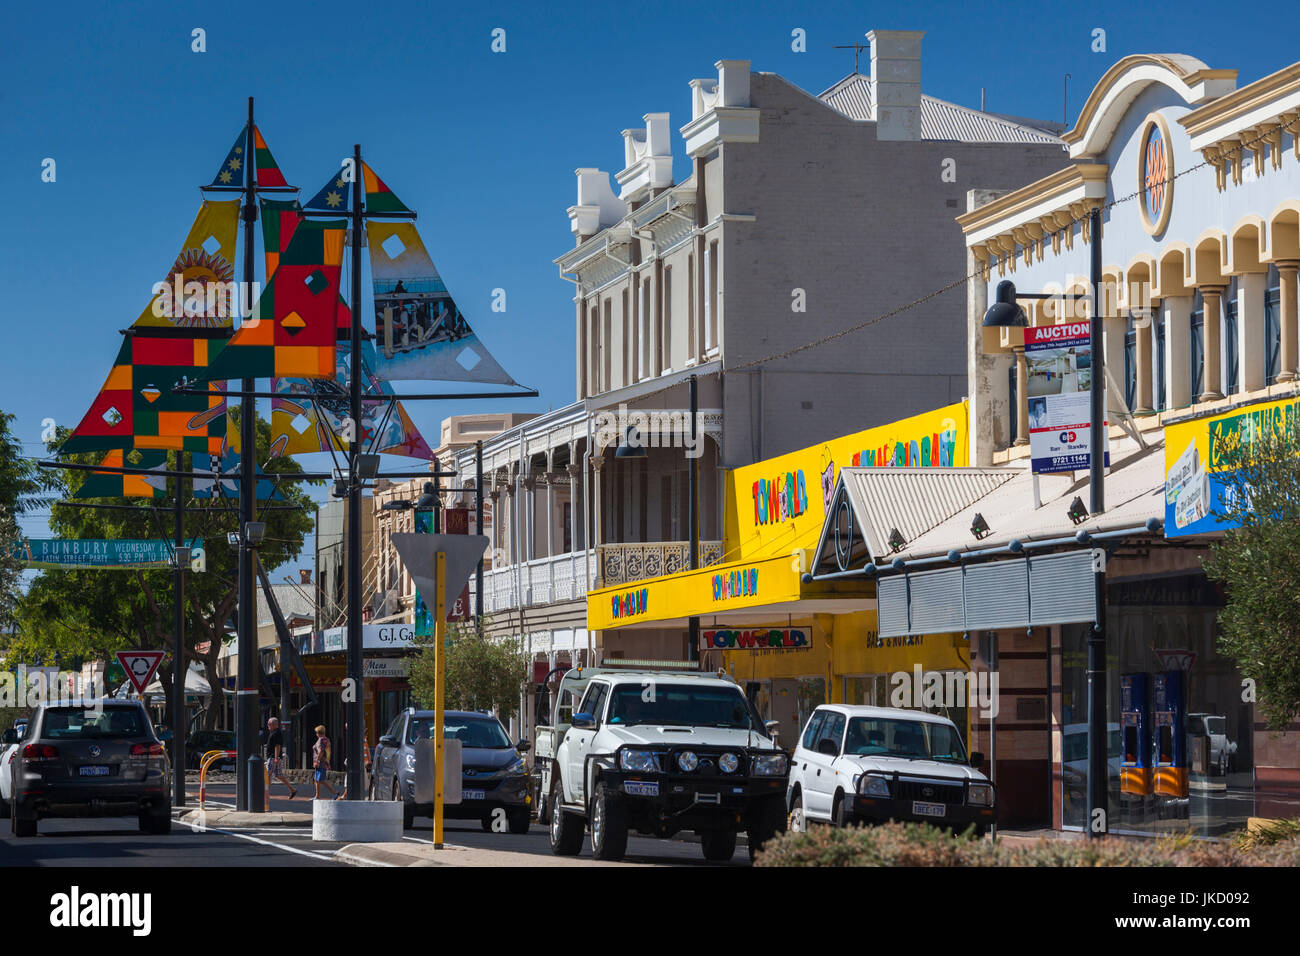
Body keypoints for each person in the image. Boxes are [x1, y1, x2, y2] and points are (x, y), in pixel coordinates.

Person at [265, 716, 297, 800]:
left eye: (269, 724)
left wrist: (275, 757)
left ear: (274, 724)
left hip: (273, 758)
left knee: (267, 775)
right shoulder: (274, 732)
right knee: (279, 775)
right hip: (274, 757)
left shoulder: (276, 733)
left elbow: (277, 746)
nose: (268, 725)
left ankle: (265, 794)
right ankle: (292, 790)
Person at [312, 725, 338, 799]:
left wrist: (317, 761)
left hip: (321, 762)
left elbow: (321, 751)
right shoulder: (326, 739)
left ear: (318, 733)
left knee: (321, 779)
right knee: (316, 779)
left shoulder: (320, 740)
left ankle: (335, 792)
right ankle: (317, 795)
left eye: (316, 733)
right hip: (325, 761)